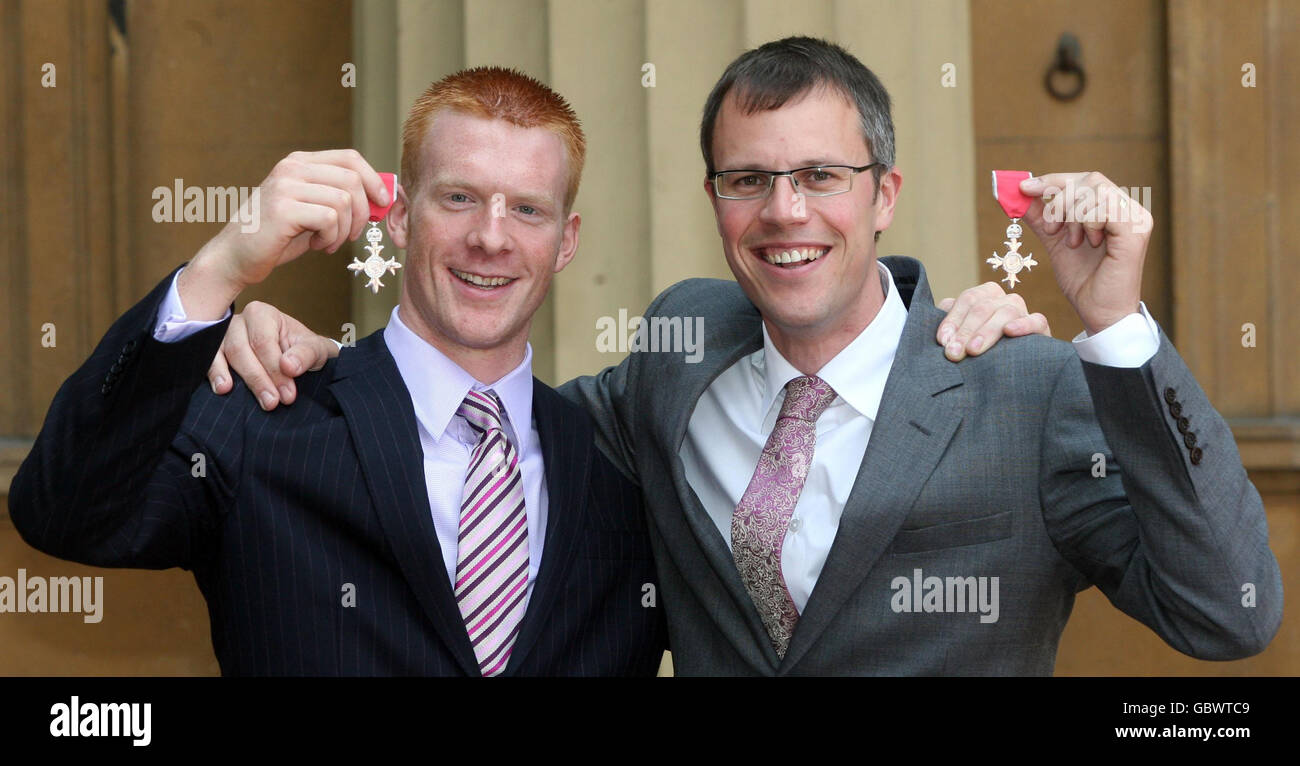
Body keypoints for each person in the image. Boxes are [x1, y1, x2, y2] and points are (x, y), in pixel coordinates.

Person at [224, 39, 1259, 676]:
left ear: (883, 195)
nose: (784, 212)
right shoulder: (678, 361)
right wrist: (320, 353)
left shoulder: (1022, 389)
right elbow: (499, 422)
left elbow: (1228, 611)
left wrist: (1118, 333)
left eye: (820, 173)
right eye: (746, 179)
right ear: (714, 199)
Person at [10, 67, 673, 676]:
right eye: (460, 197)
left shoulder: (627, 473)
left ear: (567, 239)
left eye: (527, 209)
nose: (491, 238)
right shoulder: (265, 417)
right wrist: (220, 270)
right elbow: (64, 513)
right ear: (404, 216)